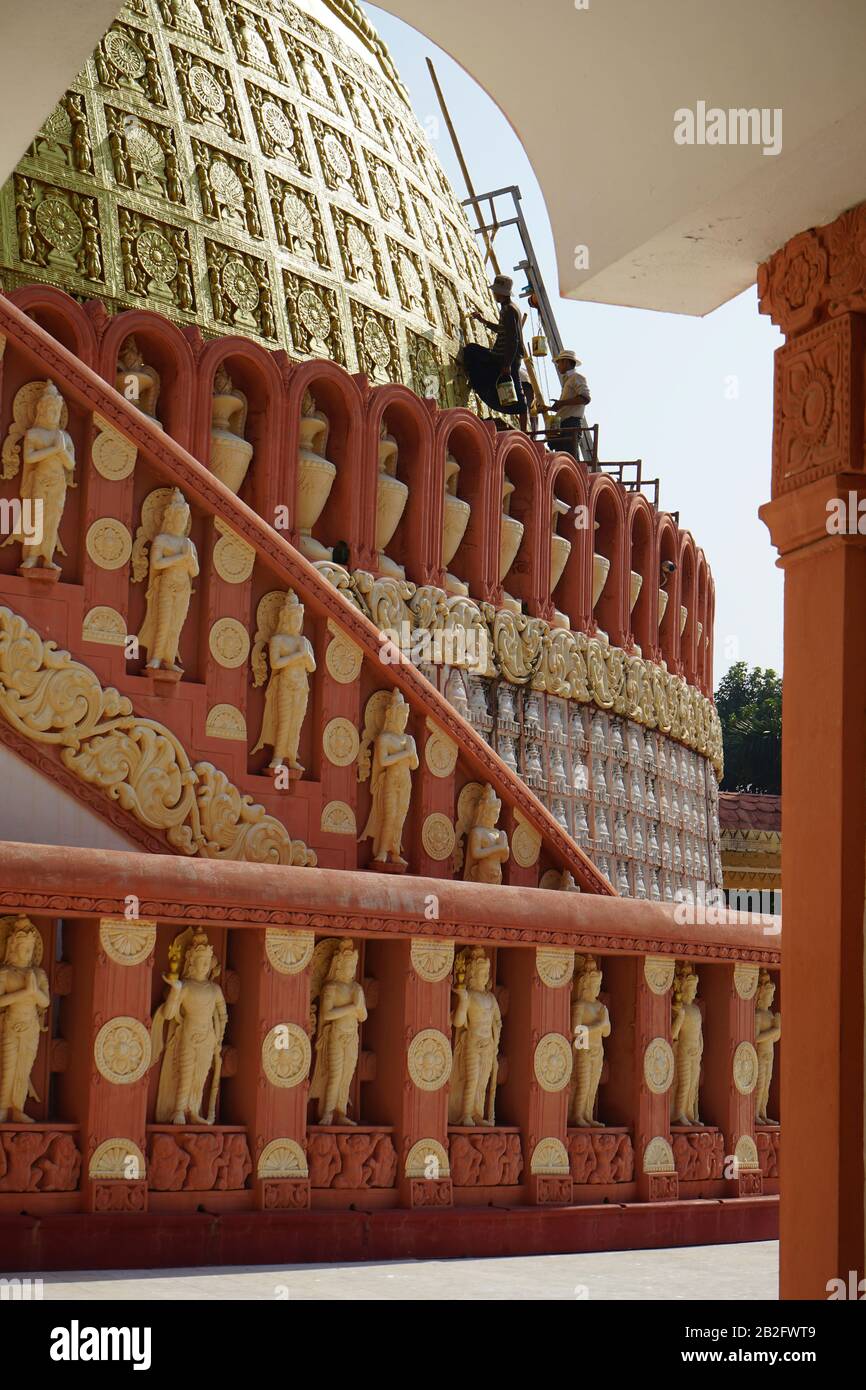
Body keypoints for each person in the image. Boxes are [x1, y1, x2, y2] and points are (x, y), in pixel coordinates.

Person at [463, 274, 527, 429]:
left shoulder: (510, 310)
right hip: (501, 355)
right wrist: (483, 321)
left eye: (496, 291)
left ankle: (525, 431)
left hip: (506, 357)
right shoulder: (508, 308)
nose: (494, 294)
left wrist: (507, 364)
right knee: (474, 352)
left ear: (502, 293)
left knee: (472, 352)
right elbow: (502, 329)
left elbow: (513, 340)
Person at [549, 348, 592, 461]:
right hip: (564, 423)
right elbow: (568, 404)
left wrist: (562, 403)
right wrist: (550, 408)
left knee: (569, 459)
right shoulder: (568, 380)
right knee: (561, 457)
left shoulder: (576, 378)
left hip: (571, 423)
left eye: (559, 362)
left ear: (566, 362)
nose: (558, 366)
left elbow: (585, 398)